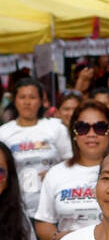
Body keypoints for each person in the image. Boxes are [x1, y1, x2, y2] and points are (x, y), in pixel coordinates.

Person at [34, 99, 109, 240]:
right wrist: (60, 238)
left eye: (100, 127)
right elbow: (43, 221)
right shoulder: (56, 173)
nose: (91, 134)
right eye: (83, 128)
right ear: (74, 134)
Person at [0, 77, 72, 225]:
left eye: (32, 97)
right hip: (16, 209)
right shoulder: (4, 132)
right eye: (22, 97)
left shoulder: (55, 127)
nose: (27, 102)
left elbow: (70, 160)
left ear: (41, 101)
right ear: (14, 101)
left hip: (51, 208)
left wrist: (55, 172)